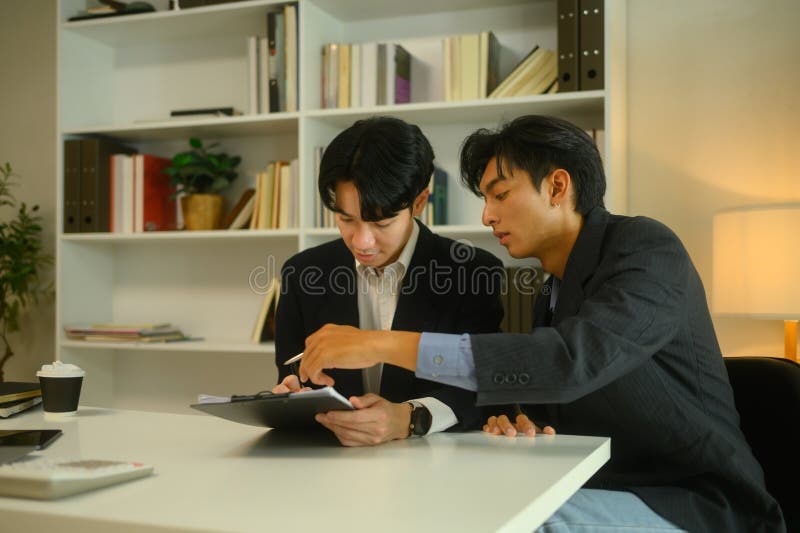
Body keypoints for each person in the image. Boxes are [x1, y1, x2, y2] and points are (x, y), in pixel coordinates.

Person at [296, 115, 786, 532]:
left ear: (557, 187)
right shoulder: (549, 292)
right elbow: (551, 395)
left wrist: (380, 343)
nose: (487, 216)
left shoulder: (646, 248)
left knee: (514, 520)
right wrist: (519, 422)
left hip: (693, 501)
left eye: (500, 195)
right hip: (599, 484)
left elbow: (569, 360)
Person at [271, 116, 503, 447]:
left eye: (381, 223)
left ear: (419, 202)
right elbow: (290, 376)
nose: (362, 241)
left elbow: (483, 388)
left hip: (435, 462)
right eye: (346, 219)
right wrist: (292, 396)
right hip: (329, 462)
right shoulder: (302, 273)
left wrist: (411, 417)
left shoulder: (473, 272)